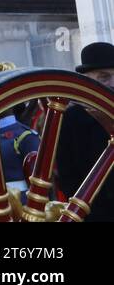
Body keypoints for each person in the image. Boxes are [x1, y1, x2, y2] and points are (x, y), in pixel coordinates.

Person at [55, 41, 114, 221]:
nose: (112, 83)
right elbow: (67, 174)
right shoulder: (71, 118)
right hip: (95, 212)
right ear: (87, 79)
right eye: (104, 77)